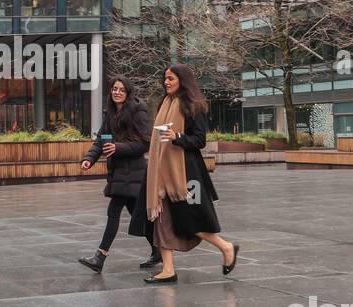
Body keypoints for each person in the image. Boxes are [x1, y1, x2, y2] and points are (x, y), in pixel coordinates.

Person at [129, 64, 239, 284]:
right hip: (161, 172)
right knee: (161, 220)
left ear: (182, 80)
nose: (166, 82)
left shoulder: (192, 105)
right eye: (165, 78)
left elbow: (199, 140)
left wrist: (176, 136)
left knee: (191, 220)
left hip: (185, 173)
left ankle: (226, 248)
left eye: (171, 78)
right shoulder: (165, 103)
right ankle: (168, 269)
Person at [78, 77, 159, 273]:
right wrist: (90, 158)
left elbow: (146, 143)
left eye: (121, 89)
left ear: (128, 92)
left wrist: (119, 147)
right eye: (114, 89)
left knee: (113, 212)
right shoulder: (111, 113)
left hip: (133, 171)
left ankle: (100, 256)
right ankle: (158, 250)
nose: (117, 92)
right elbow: (102, 139)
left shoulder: (137, 111)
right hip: (118, 172)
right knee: (139, 216)